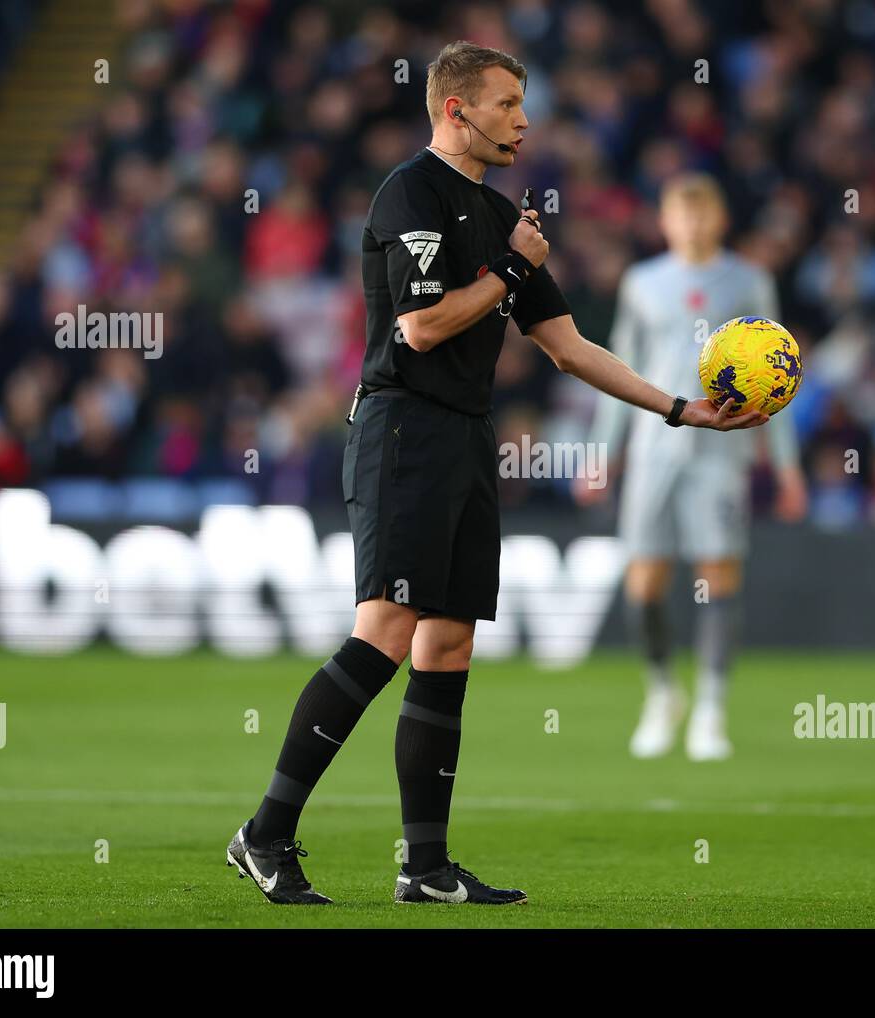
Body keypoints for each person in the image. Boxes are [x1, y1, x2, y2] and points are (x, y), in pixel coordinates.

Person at [226, 41, 770, 907]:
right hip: (403, 428)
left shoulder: (498, 211)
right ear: (456, 110)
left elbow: (568, 346)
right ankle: (265, 833)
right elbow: (421, 328)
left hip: (467, 439)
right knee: (386, 630)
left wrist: (681, 408)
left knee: (448, 643)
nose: (524, 119)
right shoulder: (412, 192)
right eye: (509, 103)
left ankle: (426, 866)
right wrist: (513, 264)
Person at [581, 174, 807, 761]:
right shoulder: (642, 283)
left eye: (703, 214)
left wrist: (785, 467)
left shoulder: (749, 280)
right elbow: (616, 369)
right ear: (665, 221)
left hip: (722, 448)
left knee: (717, 577)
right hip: (656, 443)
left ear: (721, 219)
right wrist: (600, 453)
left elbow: (776, 383)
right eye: (683, 215)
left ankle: (711, 707)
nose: (694, 224)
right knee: (644, 584)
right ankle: (662, 694)